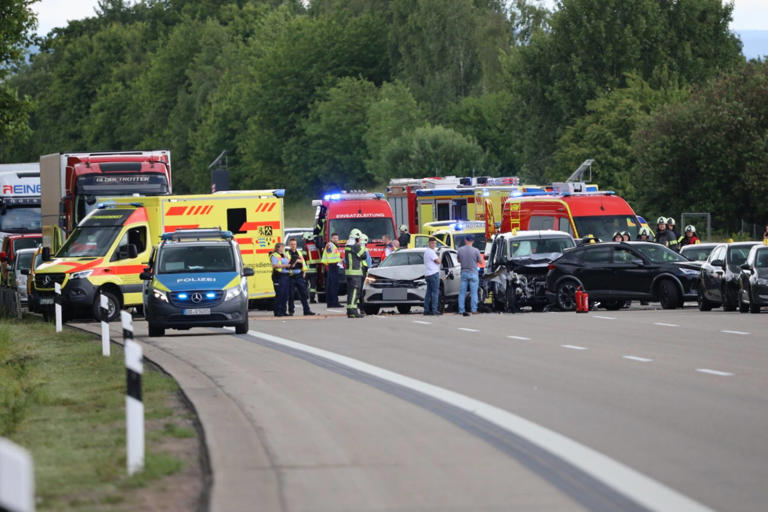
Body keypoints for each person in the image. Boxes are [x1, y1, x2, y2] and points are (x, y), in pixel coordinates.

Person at [286, 237, 315, 316]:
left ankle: (307, 310)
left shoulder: (299, 252)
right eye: (292, 244)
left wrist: (304, 271)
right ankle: (291, 311)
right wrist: (297, 261)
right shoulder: (287, 253)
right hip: (291, 276)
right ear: (289, 245)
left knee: (304, 294)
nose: (293, 246)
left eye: (294, 244)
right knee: (291, 295)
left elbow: (303, 263)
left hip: (299, 275)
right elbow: (290, 263)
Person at [345, 230, 368, 318]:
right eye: (359, 238)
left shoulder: (347, 246)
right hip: (356, 272)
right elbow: (364, 256)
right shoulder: (356, 246)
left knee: (350, 292)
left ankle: (349, 310)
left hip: (349, 272)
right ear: (357, 238)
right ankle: (353, 311)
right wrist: (362, 245)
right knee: (355, 292)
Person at [457, 234, 481, 317]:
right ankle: (474, 310)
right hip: (473, 273)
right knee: (474, 293)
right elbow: (481, 261)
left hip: (464, 272)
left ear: (465, 240)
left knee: (462, 293)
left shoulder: (460, 250)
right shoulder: (476, 250)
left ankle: (461, 310)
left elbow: (458, 260)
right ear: (473, 241)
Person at [321, 232, 343, 308]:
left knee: (332, 285)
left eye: (337, 238)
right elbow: (330, 256)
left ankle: (332, 302)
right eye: (334, 238)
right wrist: (338, 261)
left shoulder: (334, 246)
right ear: (331, 238)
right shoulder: (330, 245)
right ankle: (333, 302)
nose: (336, 239)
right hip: (333, 266)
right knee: (333, 286)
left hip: (334, 266)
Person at [270, 243, 291, 317]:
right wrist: (285, 265)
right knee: (280, 294)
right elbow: (274, 265)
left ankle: (283, 311)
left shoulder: (285, 255)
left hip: (286, 275)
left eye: (283, 248)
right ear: (277, 248)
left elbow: (290, 262)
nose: (282, 249)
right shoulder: (274, 255)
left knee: (285, 294)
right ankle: (277, 311)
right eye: (281, 248)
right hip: (278, 276)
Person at [423, 238, 442, 315]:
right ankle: (434, 310)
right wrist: (439, 257)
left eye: (435, 243)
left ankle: (426, 310)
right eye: (433, 243)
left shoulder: (426, 252)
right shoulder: (431, 252)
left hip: (428, 274)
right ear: (429, 243)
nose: (434, 245)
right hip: (433, 274)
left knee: (428, 293)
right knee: (435, 292)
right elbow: (438, 261)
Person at [302, 233, 321, 303]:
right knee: (313, 286)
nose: (304, 240)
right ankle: (312, 299)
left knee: (304, 285)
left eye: (304, 239)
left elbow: (303, 257)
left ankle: (304, 298)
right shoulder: (316, 246)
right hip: (314, 270)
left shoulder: (305, 246)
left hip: (307, 270)